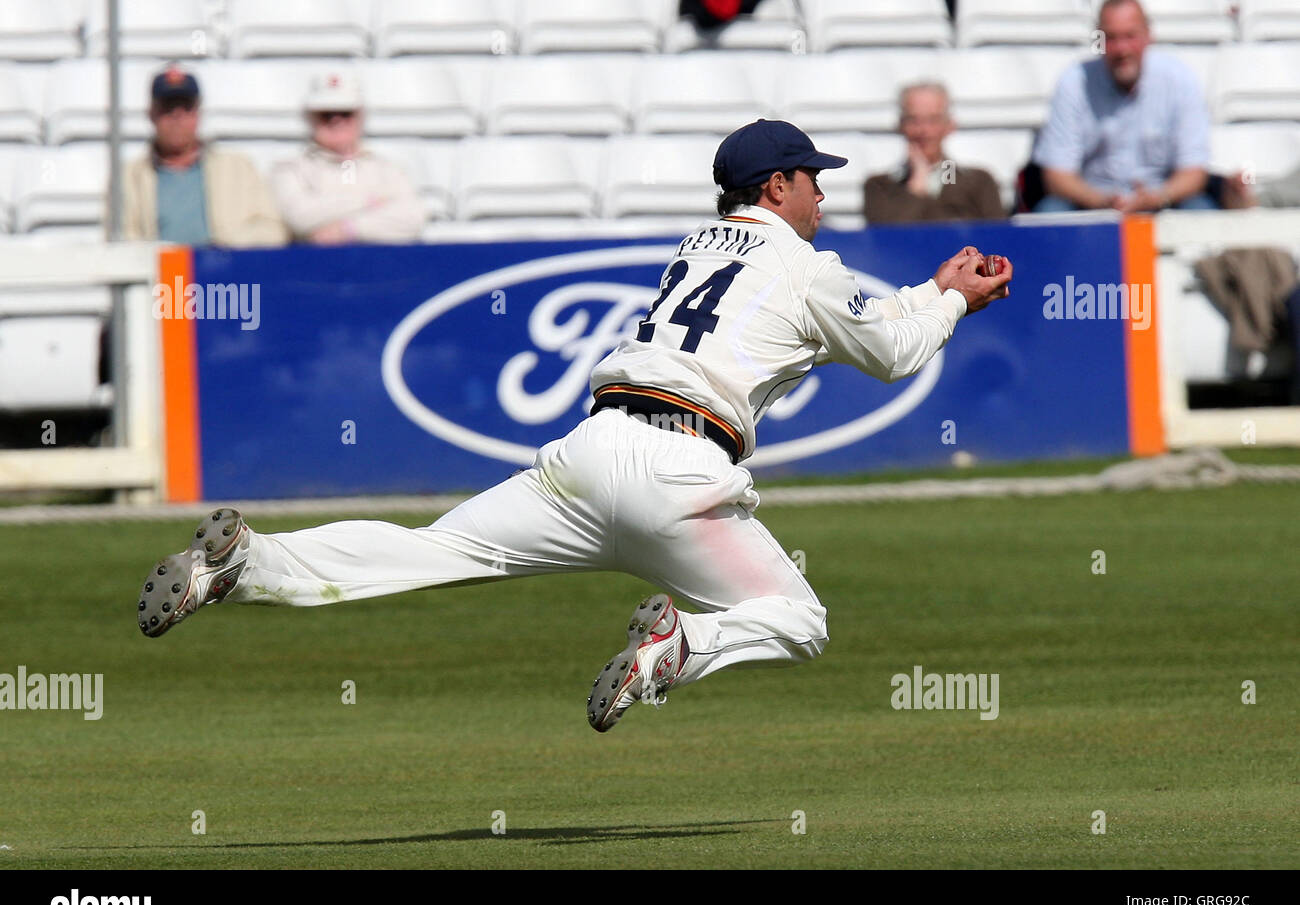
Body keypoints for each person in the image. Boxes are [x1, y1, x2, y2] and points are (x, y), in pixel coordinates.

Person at [136, 119, 1013, 733]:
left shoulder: (695, 250)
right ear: (776, 186)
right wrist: (951, 300)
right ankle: (682, 646)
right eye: (813, 177)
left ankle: (248, 563)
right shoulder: (803, 261)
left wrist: (929, 291)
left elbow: (822, 322)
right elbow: (891, 350)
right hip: (683, 473)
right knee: (797, 619)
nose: (823, 193)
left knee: (435, 550)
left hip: (588, 455)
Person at [1032, 0, 1215, 213]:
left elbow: (1194, 173)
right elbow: (1057, 176)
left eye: (1130, 36)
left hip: (1163, 204)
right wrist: (1101, 201)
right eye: (1111, 38)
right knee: (1050, 211)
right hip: (1091, 205)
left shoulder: (1180, 80)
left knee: (1200, 210)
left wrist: (1158, 197)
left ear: (1148, 36)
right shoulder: (1074, 82)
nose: (1122, 49)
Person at [123, 63, 287, 246]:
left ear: (198, 113)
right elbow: (121, 244)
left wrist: (226, 245)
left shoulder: (238, 168)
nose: (177, 117)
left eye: (186, 107)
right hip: (166, 272)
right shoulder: (129, 177)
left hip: (225, 270)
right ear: (151, 114)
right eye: (168, 109)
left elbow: (272, 230)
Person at [270, 70, 424, 245]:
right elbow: (299, 216)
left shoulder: (386, 168)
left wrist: (350, 229)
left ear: (360, 116)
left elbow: (413, 217)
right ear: (311, 118)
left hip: (378, 266)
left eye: (345, 113)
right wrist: (370, 201)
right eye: (326, 114)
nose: (336, 120)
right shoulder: (289, 168)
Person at [864, 82, 1005, 223]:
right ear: (901, 125)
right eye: (914, 120)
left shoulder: (979, 182)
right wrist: (915, 188)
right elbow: (886, 239)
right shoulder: (880, 186)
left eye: (933, 120)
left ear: (949, 126)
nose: (923, 130)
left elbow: (997, 238)